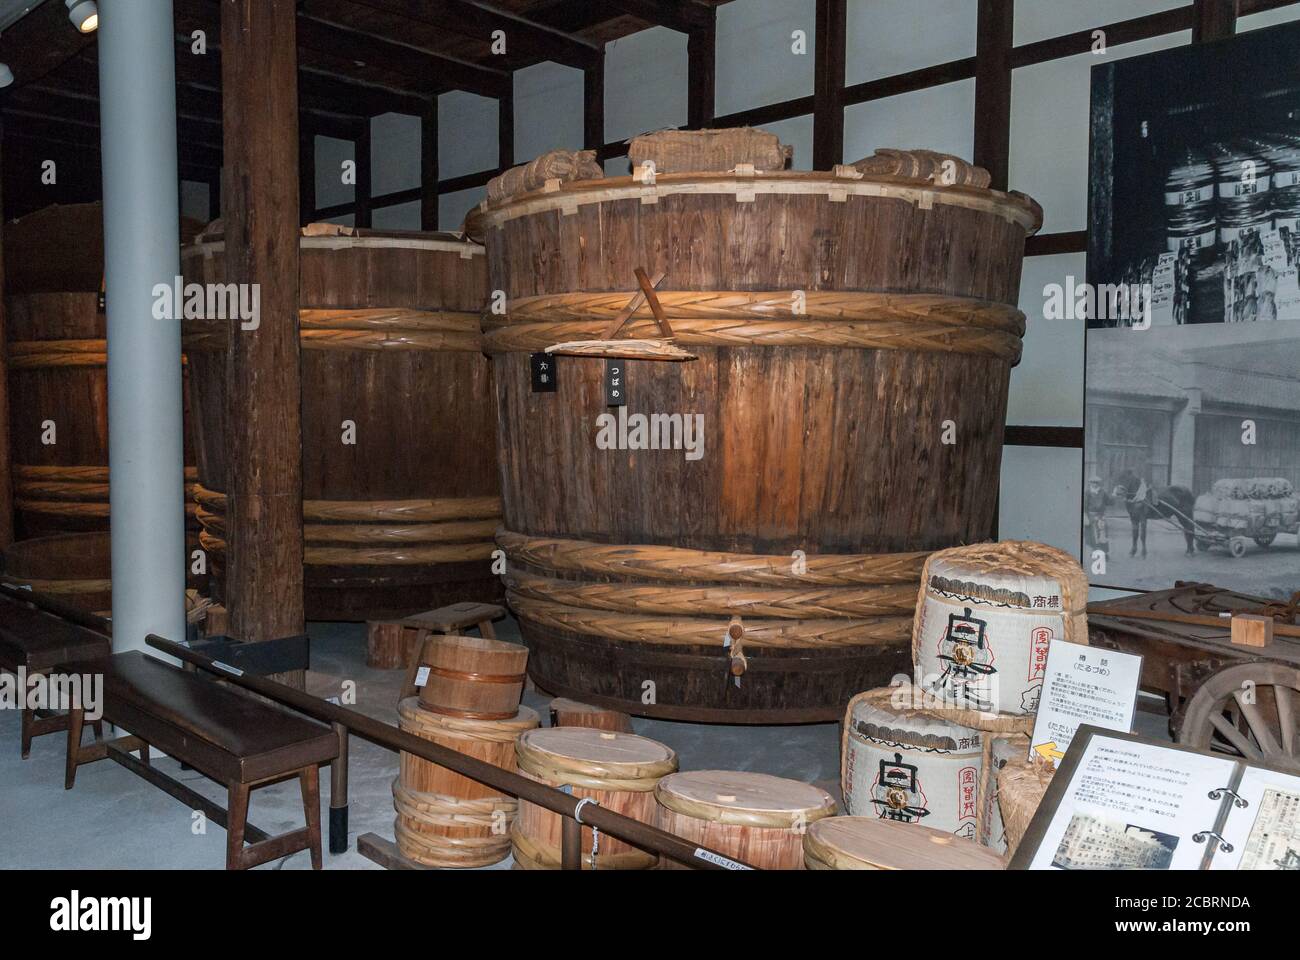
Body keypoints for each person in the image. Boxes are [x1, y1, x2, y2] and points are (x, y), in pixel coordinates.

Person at [1084, 475, 1111, 556]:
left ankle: (1105, 553)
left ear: (1098, 483)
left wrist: (1115, 495)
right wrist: (1085, 517)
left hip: (1101, 516)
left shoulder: (1103, 492)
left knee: (1102, 534)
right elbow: (1084, 505)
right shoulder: (1087, 492)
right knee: (1092, 535)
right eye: (1092, 483)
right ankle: (1094, 551)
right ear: (1090, 483)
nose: (1094, 484)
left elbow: (1109, 502)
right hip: (1091, 516)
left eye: (1096, 483)